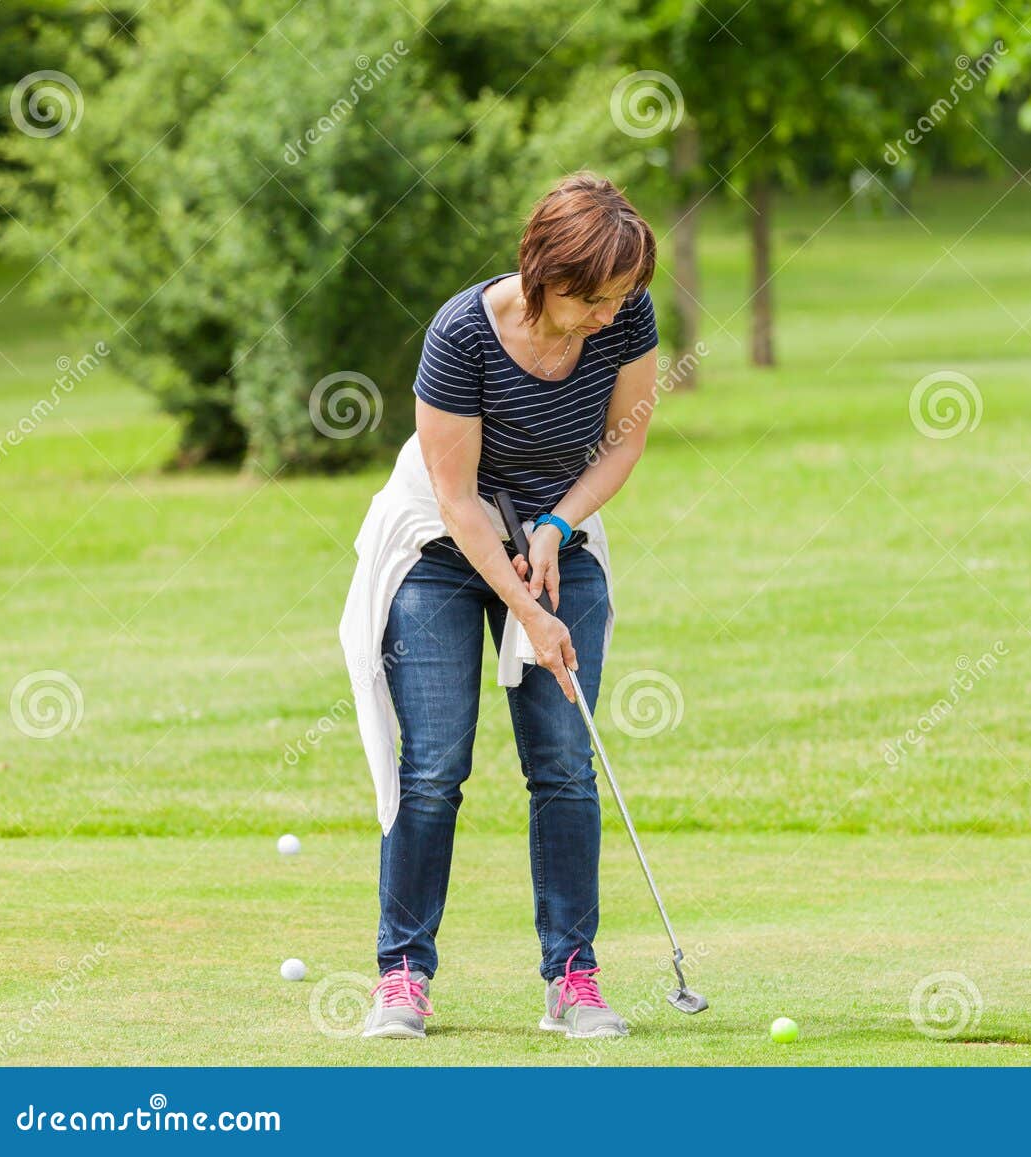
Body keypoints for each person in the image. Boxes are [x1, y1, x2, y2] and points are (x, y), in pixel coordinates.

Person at [360, 172, 659, 1041]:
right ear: (545, 275)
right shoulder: (462, 334)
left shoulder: (625, 314)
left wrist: (559, 526)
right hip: (441, 547)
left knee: (564, 761)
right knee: (434, 765)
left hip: (557, 529)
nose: (609, 315)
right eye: (592, 299)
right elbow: (457, 499)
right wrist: (529, 611)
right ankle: (402, 974)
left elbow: (625, 440)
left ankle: (572, 977)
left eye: (621, 297)